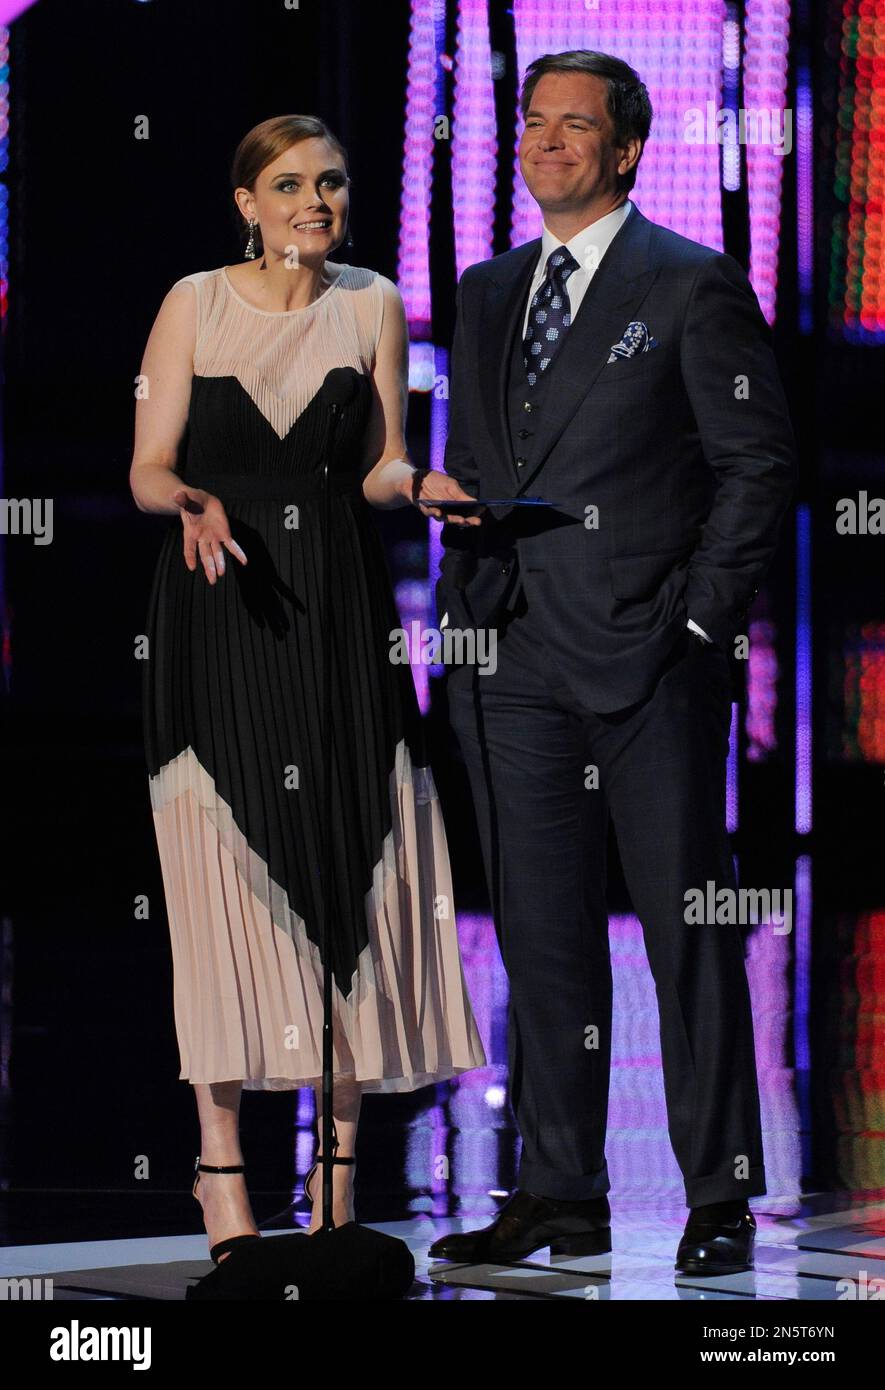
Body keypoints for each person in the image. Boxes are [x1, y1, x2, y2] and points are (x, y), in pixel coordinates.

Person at [429, 51, 796, 1275]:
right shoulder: (485, 292)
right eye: (532, 123)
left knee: (688, 931)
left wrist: (697, 624)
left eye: (572, 126)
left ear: (628, 147)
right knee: (539, 936)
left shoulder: (690, 286)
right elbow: (484, 465)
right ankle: (558, 1193)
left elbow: (759, 466)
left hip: (649, 657)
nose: (544, 142)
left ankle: (720, 1196)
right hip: (516, 660)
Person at [130, 114, 486, 1262]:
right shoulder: (192, 301)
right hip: (219, 603)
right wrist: (186, 499)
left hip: (337, 611)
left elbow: (378, 462)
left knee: (351, 868)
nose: (313, 200)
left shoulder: (372, 302)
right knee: (221, 885)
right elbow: (147, 465)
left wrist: (422, 479)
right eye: (288, 184)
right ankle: (221, 1172)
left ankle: (338, 1182)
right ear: (247, 200)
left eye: (330, 181)